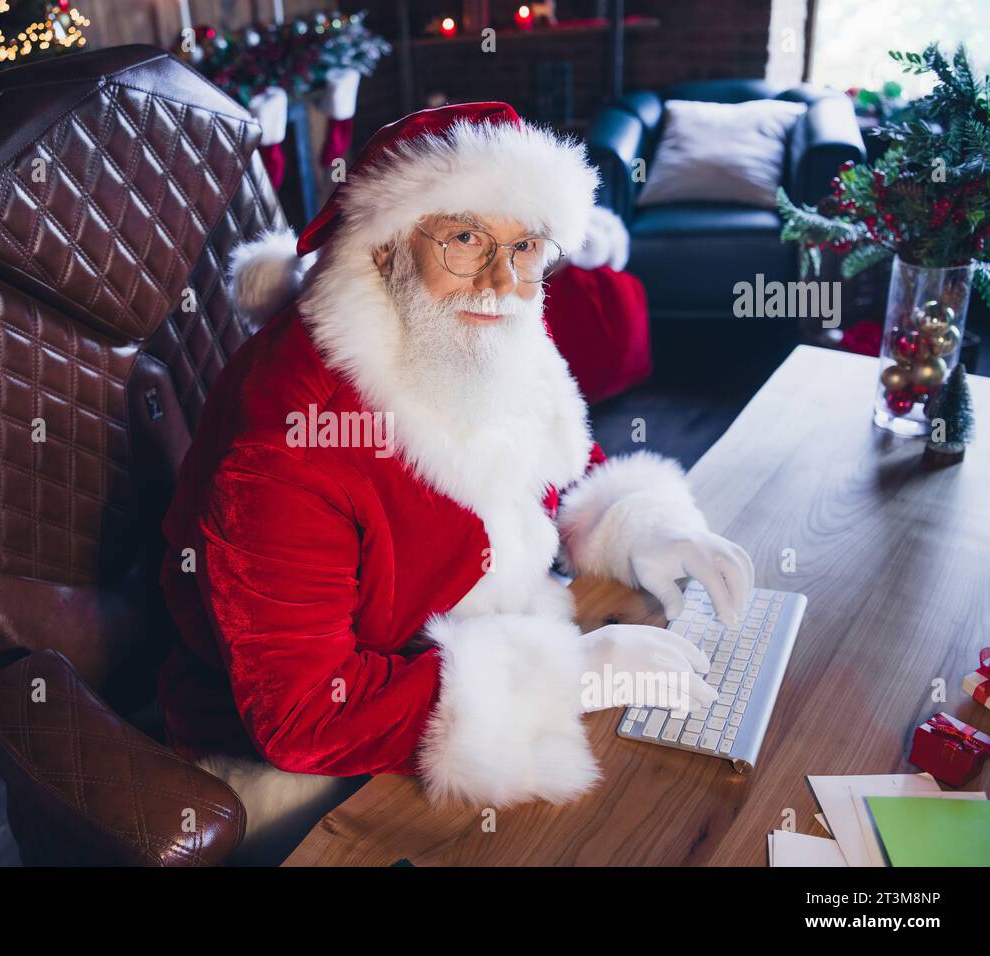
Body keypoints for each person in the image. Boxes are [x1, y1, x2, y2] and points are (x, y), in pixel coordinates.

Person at [156, 102, 754, 862]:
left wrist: (644, 530)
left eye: (527, 245)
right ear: (382, 248)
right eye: (467, 238)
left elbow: (550, 477)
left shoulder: (479, 322)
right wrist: (567, 677)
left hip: (475, 657)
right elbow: (302, 717)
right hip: (321, 773)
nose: (504, 279)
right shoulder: (292, 438)